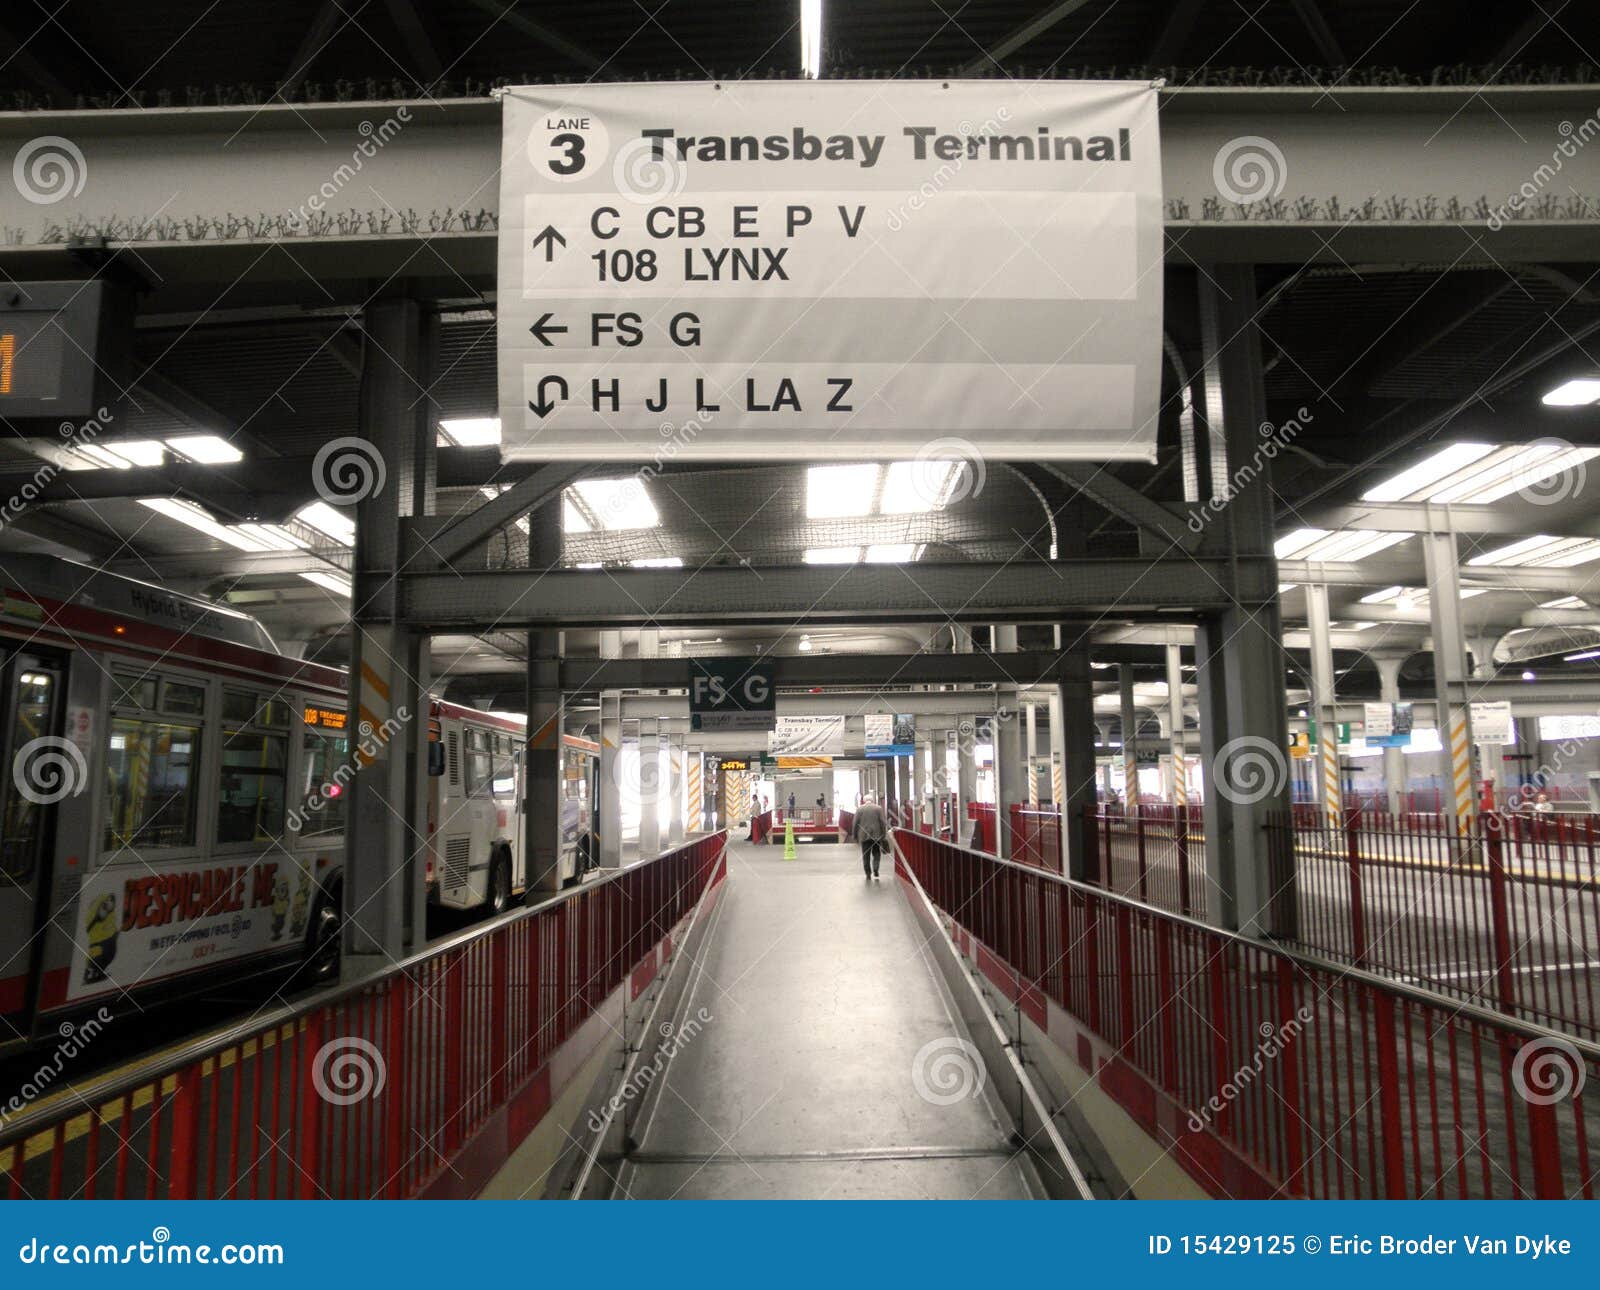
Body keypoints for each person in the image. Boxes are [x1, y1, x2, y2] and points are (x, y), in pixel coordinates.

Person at [851, 793, 889, 880]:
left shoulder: (860, 809)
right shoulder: (878, 808)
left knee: (866, 855)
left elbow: (855, 823)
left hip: (864, 836)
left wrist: (855, 835)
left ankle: (868, 873)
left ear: (864, 800)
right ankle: (876, 869)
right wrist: (883, 834)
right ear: (872, 800)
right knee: (876, 853)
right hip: (877, 835)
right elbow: (883, 822)